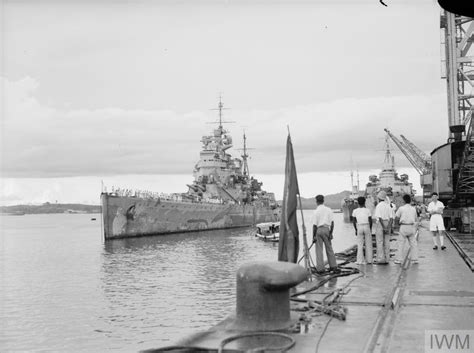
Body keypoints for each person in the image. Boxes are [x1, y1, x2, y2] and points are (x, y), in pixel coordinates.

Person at [312, 194, 339, 273]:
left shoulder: (316, 211)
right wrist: (331, 233)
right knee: (329, 249)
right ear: (323, 201)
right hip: (327, 229)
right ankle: (333, 266)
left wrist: (313, 236)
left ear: (316, 202)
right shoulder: (328, 209)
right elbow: (332, 223)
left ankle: (320, 269)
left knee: (319, 250)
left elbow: (314, 225)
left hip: (319, 230)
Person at [394, 194, 419, 264]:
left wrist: (396, 226)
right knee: (413, 243)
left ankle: (399, 259)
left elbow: (396, 217)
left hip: (403, 226)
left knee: (401, 243)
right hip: (411, 226)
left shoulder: (401, 208)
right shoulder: (413, 209)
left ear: (404, 200)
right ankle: (415, 259)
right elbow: (416, 218)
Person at [374, 190, 393, 264]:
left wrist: (384, 227)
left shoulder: (378, 206)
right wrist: (388, 227)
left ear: (379, 198)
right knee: (387, 242)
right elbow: (391, 218)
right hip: (388, 223)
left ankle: (381, 259)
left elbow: (379, 217)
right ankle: (387, 259)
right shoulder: (388, 206)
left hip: (380, 224)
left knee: (379, 242)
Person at [352, 196, 373, 265]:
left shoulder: (355, 211)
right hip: (366, 226)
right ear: (365, 202)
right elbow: (370, 220)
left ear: (358, 202)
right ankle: (369, 260)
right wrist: (370, 228)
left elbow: (354, 221)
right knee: (368, 244)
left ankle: (360, 261)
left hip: (359, 227)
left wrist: (356, 229)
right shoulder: (368, 210)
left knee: (360, 244)